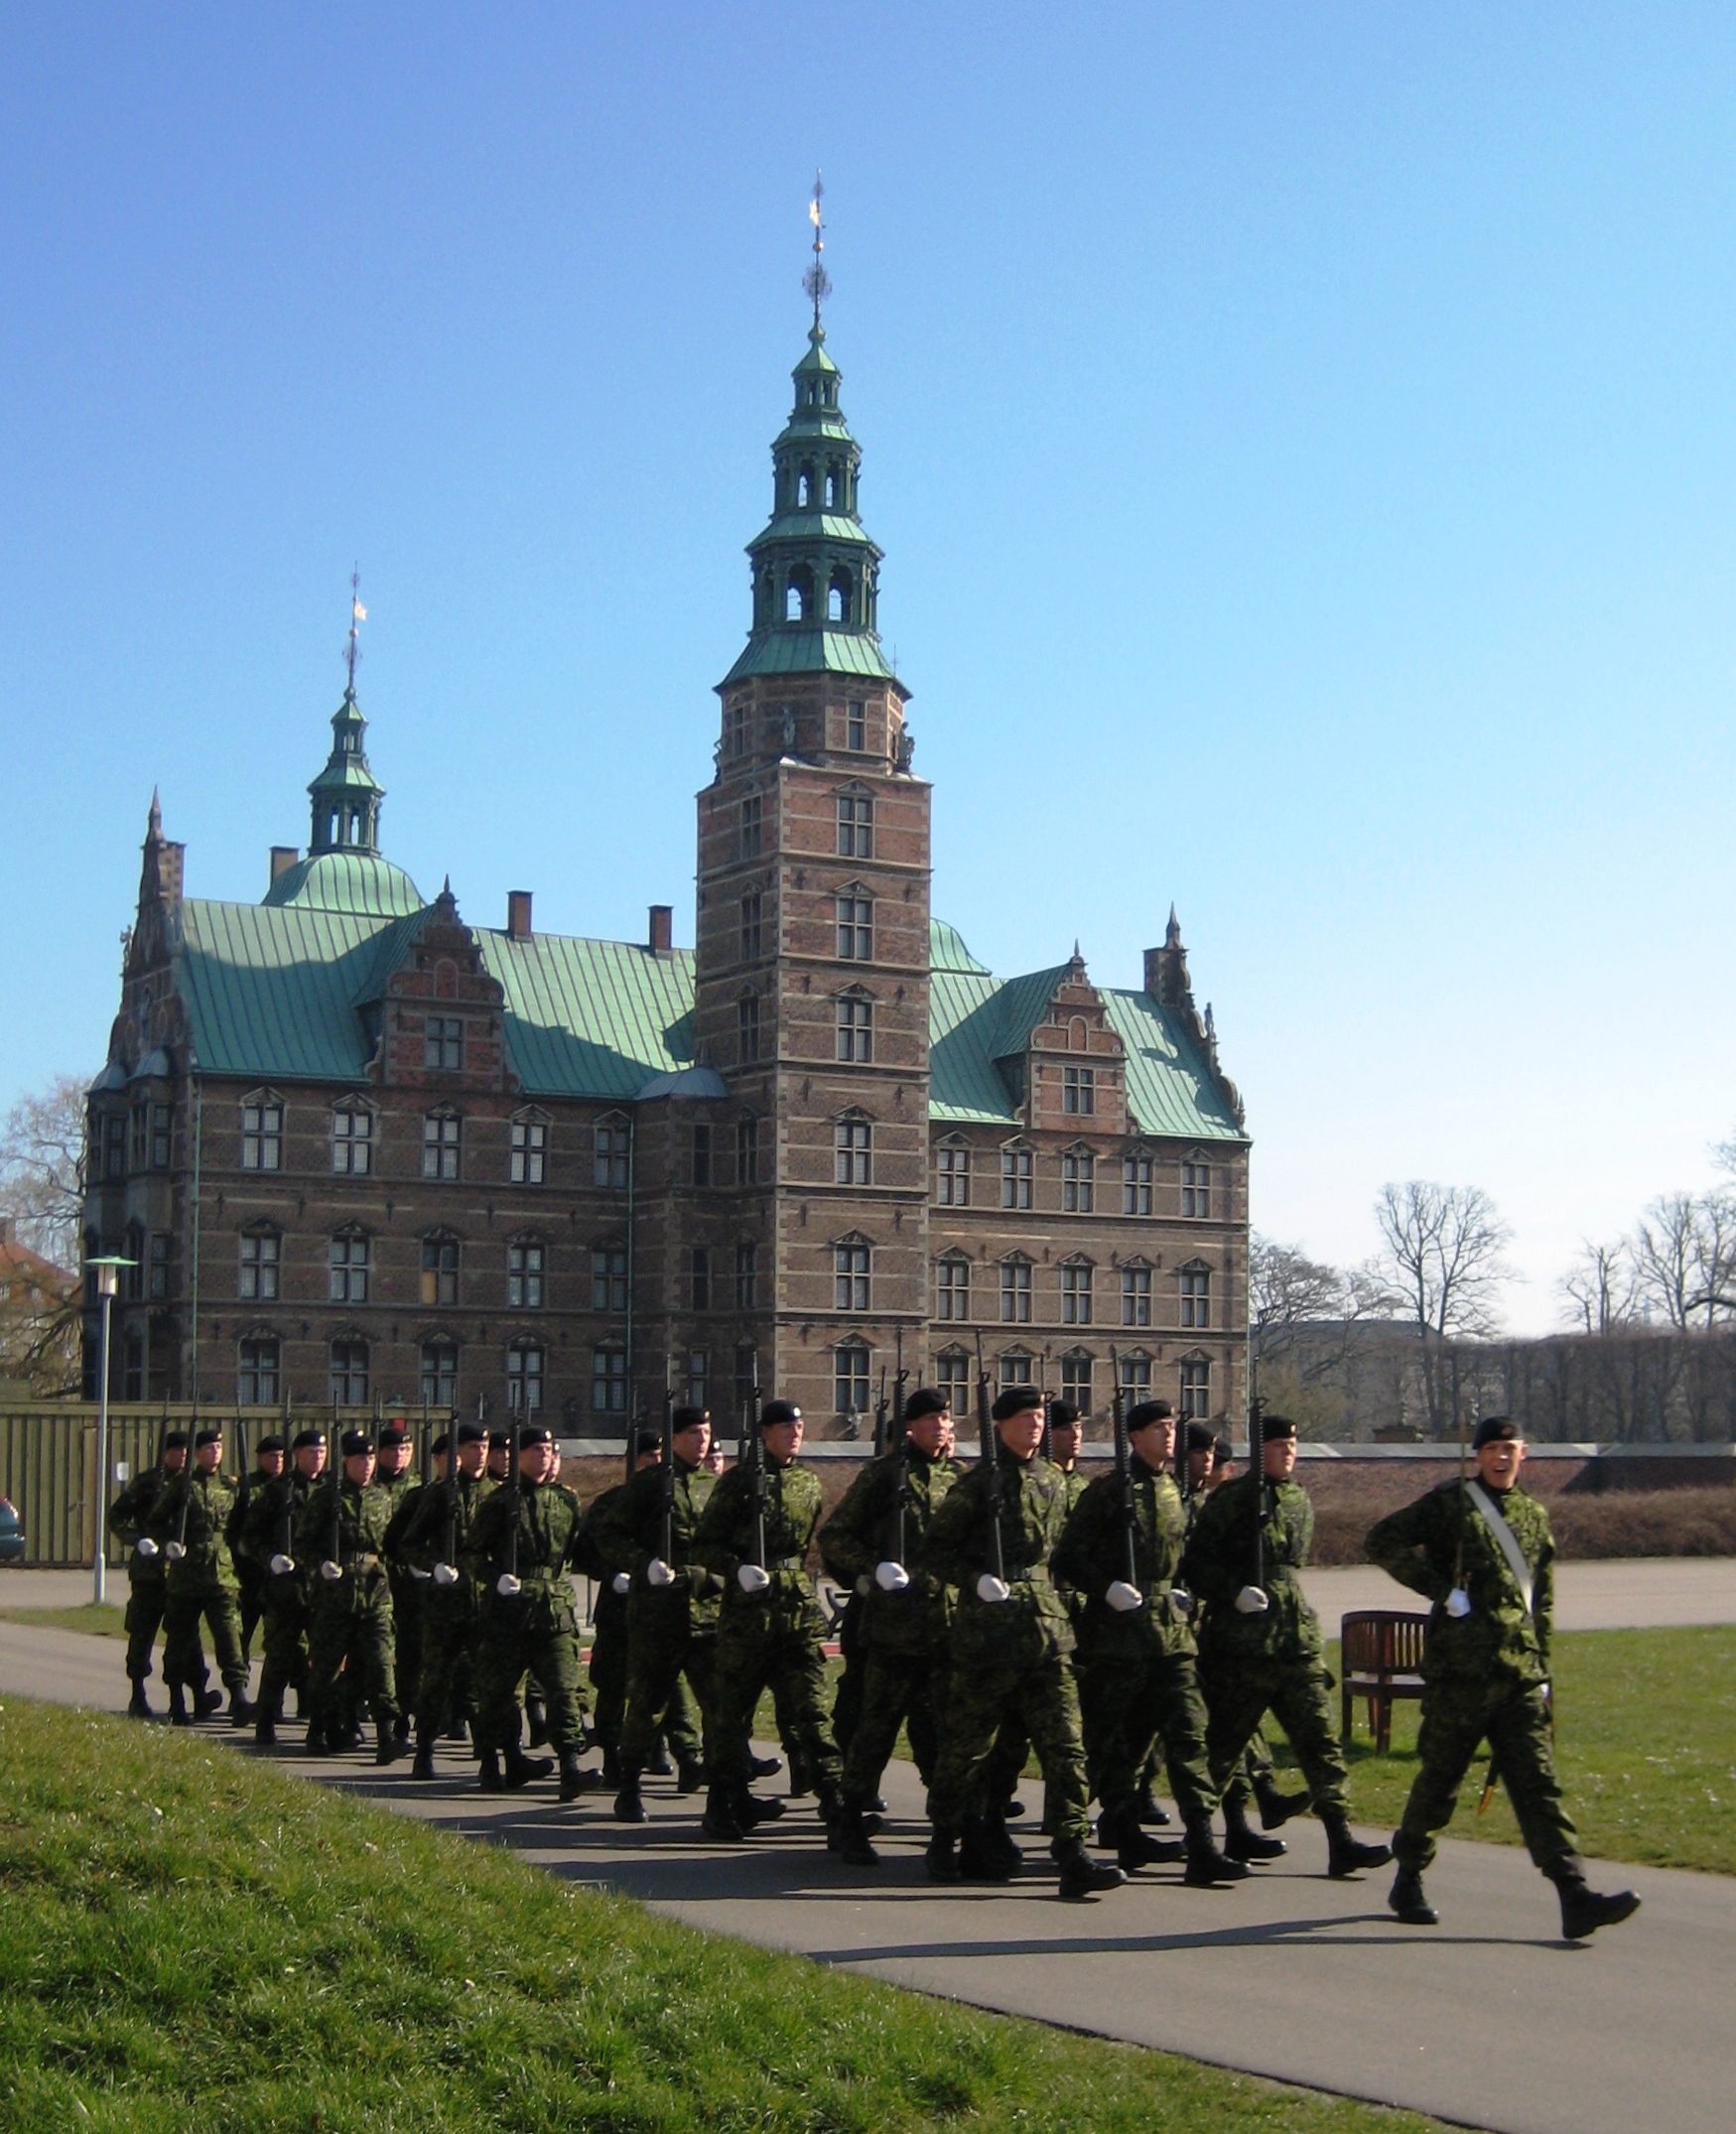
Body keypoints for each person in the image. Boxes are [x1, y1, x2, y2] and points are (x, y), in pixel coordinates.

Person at [1367, 1415, 1641, 1937]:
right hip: (1461, 1678)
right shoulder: (1451, 1503)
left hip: (1518, 1676)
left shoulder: (1535, 1516)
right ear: (1477, 1456)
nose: (1500, 1457)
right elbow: (1381, 1541)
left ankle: (1573, 1894)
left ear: (1524, 1455)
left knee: (1539, 1787)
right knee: (1439, 1784)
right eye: (1490, 1448)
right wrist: (1440, 1590)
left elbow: (1543, 1600)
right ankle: (1408, 1876)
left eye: (1509, 1448)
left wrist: (1543, 1671)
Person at [918, 1385, 1125, 1901]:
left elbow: (1071, 1553)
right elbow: (935, 1551)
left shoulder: (1055, 1482)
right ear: (1001, 1425)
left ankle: (1072, 1852)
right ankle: (945, 1836)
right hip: (987, 1636)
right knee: (969, 1746)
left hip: (1047, 1634)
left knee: (1065, 1746)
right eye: (1026, 1417)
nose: (1036, 1425)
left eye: (1039, 1417)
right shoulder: (976, 1486)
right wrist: (974, 1579)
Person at [1181, 1413, 1391, 1880]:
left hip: (1294, 1642)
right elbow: (1195, 1563)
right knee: (1223, 1749)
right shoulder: (1231, 1500)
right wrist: (1231, 1591)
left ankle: (1341, 1838)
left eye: (1292, 1446)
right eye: (1278, 1446)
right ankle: (1199, 1842)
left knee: (1321, 1742)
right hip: (1242, 1647)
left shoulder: (1297, 1498)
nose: (1287, 1453)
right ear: (1261, 1451)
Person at [1052, 1400, 1245, 1884]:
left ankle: (1201, 1842)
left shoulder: (1176, 1491)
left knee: (1188, 1734)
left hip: (1171, 1637)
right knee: (1115, 1740)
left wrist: (1195, 1588)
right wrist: (1106, 1588)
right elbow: (1069, 1557)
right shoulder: (1109, 1492)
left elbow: (1191, 1557)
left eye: (1172, 1428)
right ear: (1134, 1437)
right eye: (1159, 1429)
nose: (1169, 1436)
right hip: (1117, 1639)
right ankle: (1107, 1826)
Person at [820, 1388, 964, 1866]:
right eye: (930, 1419)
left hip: (944, 1632)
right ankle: (850, 1821)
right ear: (910, 1427)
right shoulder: (883, 1477)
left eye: (945, 1418)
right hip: (892, 1635)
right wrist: (871, 1569)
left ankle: (945, 1835)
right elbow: (835, 1536)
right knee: (873, 1734)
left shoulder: (960, 1479)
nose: (941, 1426)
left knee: (944, 1736)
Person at [693, 1398, 842, 1841]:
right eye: (784, 1428)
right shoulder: (738, 1483)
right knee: (731, 1716)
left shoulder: (810, 1484)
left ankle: (836, 1803)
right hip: (747, 1617)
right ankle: (724, 1801)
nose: (794, 1434)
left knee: (813, 1713)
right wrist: (736, 1567)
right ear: (765, 1434)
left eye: (798, 1427)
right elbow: (703, 1545)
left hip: (795, 1614)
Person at [595, 1406, 722, 1821]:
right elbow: (609, 1535)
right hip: (657, 1615)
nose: (701, 1439)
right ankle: (629, 1784)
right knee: (648, 1706)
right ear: (674, 1439)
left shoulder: (714, 1486)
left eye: (705, 1431)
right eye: (692, 1432)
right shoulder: (650, 1484)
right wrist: (641, 1563)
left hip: (705, 1614)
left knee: (721, 1707)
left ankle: (724, 1791)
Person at [465, 1422, 592, 1799]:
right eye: (536, 1450)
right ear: (519, 1456)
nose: (543, 1456)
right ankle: (492, 1760)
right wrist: (495, 1576)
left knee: (563, 1690)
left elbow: (574, 1553)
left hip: (552, 1612)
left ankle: (570, 1765)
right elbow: (472, 1554)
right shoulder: (500, 1502)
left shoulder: (567, 1501)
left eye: (548, 1451)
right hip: (509, 1612)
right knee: (498, 1694)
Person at [294, 1428, 400, 1764]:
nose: (366, 1465)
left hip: (375, 1592)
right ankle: (318, 1728)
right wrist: (319, 1565)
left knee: (381, 1665)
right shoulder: (326, 1498)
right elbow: (304, 1543)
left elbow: (393, 1544)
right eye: (359, 1459)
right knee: (326, 1667)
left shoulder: (382, 1497)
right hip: (336, 1594)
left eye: (370, 1458)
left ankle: (386, 1734)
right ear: (346, 1462)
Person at [396, 1421, 490, 1779]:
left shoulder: (498, 1492)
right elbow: (409, 1543)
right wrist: (433, 1565)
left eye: (483, 1446)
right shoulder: (439, 1494)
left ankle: (489, 1757)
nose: (479, 1452)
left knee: (483, 1681)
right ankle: (424, 1751)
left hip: (482, 1603)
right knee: (436, 1679)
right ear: (458, 1453)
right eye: (471, 1447)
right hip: (444, 1604)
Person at [148, 1425, 254, 1727]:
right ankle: (176, 1701)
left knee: (229, 1638)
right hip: (186, 1575)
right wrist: (169, 1542)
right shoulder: (183, 1486)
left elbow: (239, 1528)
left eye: (218, 1448)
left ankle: (239, 1697)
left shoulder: (231, 1487)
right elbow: (155, 1521)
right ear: (197, 1454)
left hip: (221, 1575)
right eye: (208, 1449)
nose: (214, 1453)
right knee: (179, 1641)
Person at [575, 1430, 662, 1784]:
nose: (656, 1462)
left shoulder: (671, 1501)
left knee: (658, 1683)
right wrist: (611, 1573)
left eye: (660, 1456)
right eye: (649, 1456)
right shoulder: (612, 1502)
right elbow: (586, 1551)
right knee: (612, 1683)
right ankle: (612, 1752)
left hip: (660, 1607)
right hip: (618, 1608)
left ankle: (658, 1750)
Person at [110, 1429, 208, 1719]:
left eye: (186, 1451)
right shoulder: (149, 1482)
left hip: (184, 1573)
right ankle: (137, 1693)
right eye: (176, 1451)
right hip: (149, 1574)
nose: (182, 1456)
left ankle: (195, 1695)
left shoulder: (197, 1484)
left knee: (187, 1637)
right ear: (165, 1453)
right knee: (142, 1632)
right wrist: (136, 1539)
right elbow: (117, 1516)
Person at [243, 1425, 327, 1744]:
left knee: (323, 1660)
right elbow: (250, 1536)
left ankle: (318, 1726)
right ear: (297, 1456)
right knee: (278, 1657)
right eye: (310, 1453)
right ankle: (266, 1719)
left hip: (322, 1590)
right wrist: (270, 1558)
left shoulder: (331, 1491)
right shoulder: (279, 1492)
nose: (317, 1459)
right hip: (286, 1590)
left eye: (321, 1453)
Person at [373, 1426, 423, 1744]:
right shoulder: (370, 1486)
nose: (398, 1455)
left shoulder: (419, 1488)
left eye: (404, 1450)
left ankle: (403, 1713)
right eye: (392, 1450)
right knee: (375, 1651)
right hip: (373, 1579)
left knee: (410, 1651)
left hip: (408, 1581)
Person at [231, 1432, 285, 1665]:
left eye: (282, 1456)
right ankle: (239, 1687)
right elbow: (234, 1528)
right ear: (261, 1457)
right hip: (250, 1572)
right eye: (272, 1456)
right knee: (242, 1633)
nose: (278, 1461)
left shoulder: (289, 1487)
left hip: (279, 1574)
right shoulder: (247, 1486)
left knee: (278, 1638)